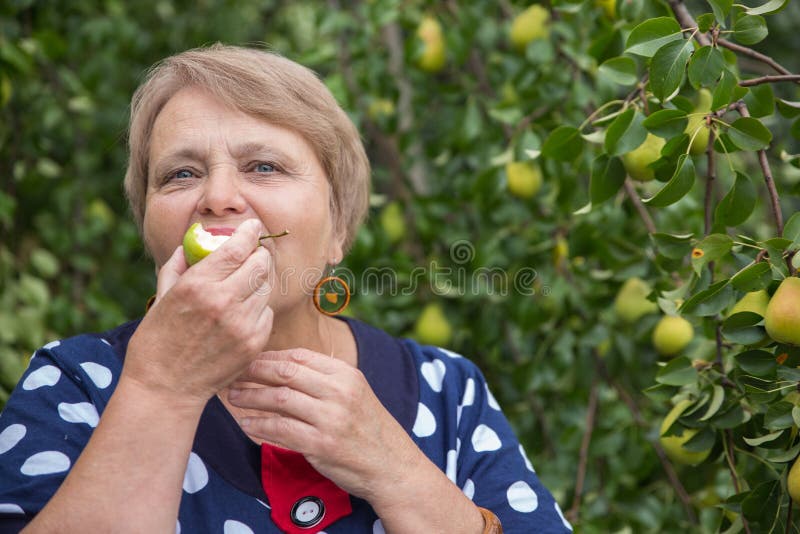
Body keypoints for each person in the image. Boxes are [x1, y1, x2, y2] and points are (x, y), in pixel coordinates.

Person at [0, 44, 571, 533]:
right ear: (148, 223)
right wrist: (161, 388)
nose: (218, 196)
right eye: (180, 174)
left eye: (264, 166)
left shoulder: (447, 391)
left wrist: (399, 473)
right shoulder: (75, 385)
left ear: (338, 229)